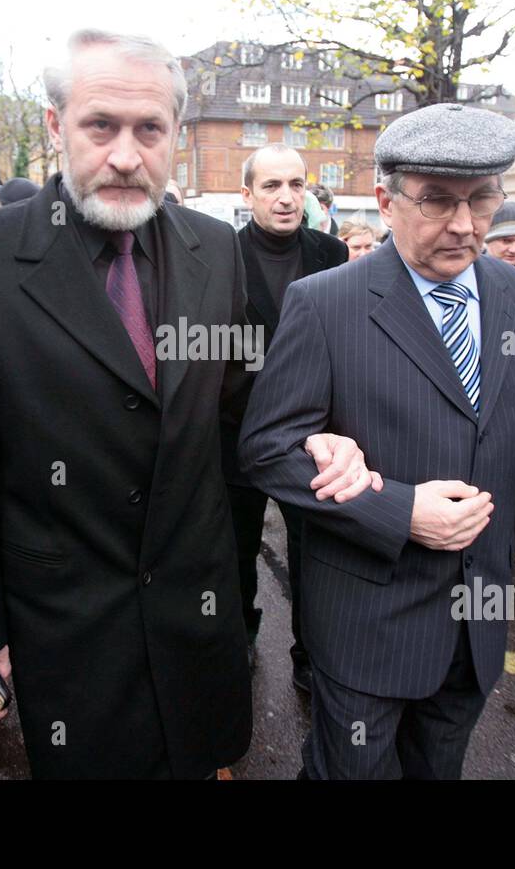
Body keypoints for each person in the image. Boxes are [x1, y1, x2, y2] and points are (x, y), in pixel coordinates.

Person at [0, 29, 377, 779]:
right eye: (101, 126)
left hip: (196, 608)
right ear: (55, 126)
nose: (126, 155)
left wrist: (323, 436)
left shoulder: (213, 249)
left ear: (175, 134)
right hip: (65, 620)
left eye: (149, 129)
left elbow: (239, 395)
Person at [239, 101, 515, 780]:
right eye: (437, 202)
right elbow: (267, 449)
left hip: (477, 623)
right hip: (368, 623)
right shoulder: (324, 301)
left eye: (481, 200)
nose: (463, 224)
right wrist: (398, 510)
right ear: (385, 201)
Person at [225, 144, 349, 690]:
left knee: (314, 557)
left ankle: (312, 654)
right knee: (234, 548)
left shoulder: (333, 252)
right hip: (234, 433)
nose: (286, 197)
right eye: (272, 186)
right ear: (247, 193)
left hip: (310, 438)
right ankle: (241, 635)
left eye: (296, 185)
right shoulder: (218, 255)